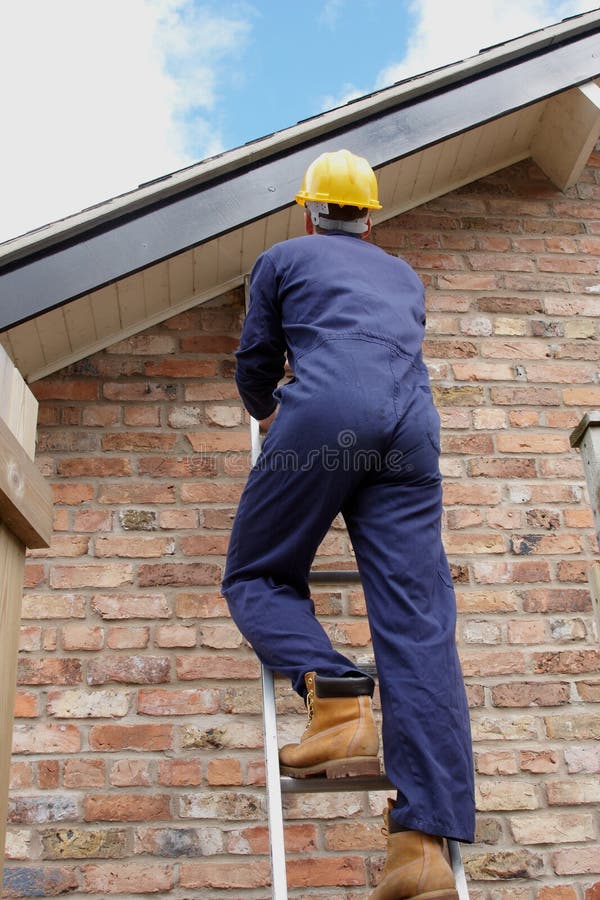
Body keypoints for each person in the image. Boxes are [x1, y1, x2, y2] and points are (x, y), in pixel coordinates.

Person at [222, 148, 475, 899]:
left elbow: (257, 363)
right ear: (371, 216)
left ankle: (333, 696)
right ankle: (420, 851)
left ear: (307, 209)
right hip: (413, 432)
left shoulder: (281, 257)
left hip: (328, 414)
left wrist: (272, 416)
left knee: (258, 572)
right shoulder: (404, 276)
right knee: (420, 625)